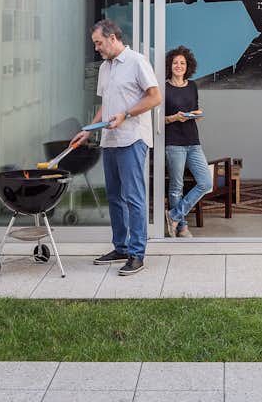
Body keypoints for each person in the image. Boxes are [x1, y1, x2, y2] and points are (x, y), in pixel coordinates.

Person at [71, 19, 161, 275]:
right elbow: (105, 105)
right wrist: (87, 130)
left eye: (99, 43)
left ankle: (137, 254)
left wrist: (127, 114)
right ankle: (121, 247)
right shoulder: (105, 68)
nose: (96, 48)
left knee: (134, 197)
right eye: (95, 44)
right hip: (109, 140)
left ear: (112, 38)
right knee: (114, 198)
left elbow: (155, 97)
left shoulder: (137, 61)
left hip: (132, 138)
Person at [164, 45, 213, 238]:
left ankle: (174, 215)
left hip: (193, 141)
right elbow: (158, 119)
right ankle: (181, 227)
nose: (178, 66)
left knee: (205, 182)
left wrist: (196, 114)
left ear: (187, 66)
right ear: (170, 65)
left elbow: (197, 111)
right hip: (173, 142)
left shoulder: (192, 86)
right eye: (175, 62)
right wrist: (173, 118)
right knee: (176, 187)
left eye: (182, 63)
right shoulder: (164, 87)